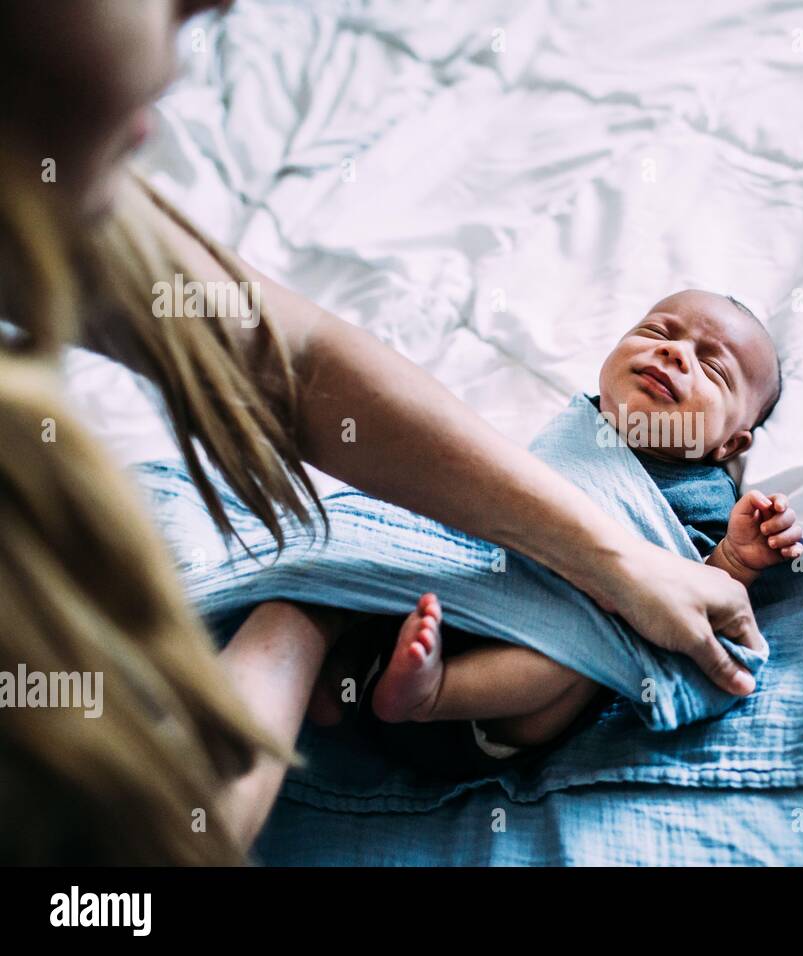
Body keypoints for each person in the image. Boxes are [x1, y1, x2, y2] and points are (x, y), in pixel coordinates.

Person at [0, 0, 764, 865]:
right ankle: (419, 688)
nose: (216, 10)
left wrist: (642, 562)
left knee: (569, 660)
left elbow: (300, 359)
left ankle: (413, 680)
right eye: (659, 332)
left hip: (526, 617)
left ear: (736, 440)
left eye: (715, 366)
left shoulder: (55, 184)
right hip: (459, 614)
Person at [363, 290, 801, 756]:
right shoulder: (580, 426)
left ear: (729, 447)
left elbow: (698, 604)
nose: (675, 352)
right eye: (657, 332)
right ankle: (343, 672)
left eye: (713, 370)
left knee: (593, 643)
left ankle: (435, 694)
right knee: (376, 519)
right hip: (453, 591)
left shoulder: (707, 497)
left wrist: (735, 558)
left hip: (506, 705)